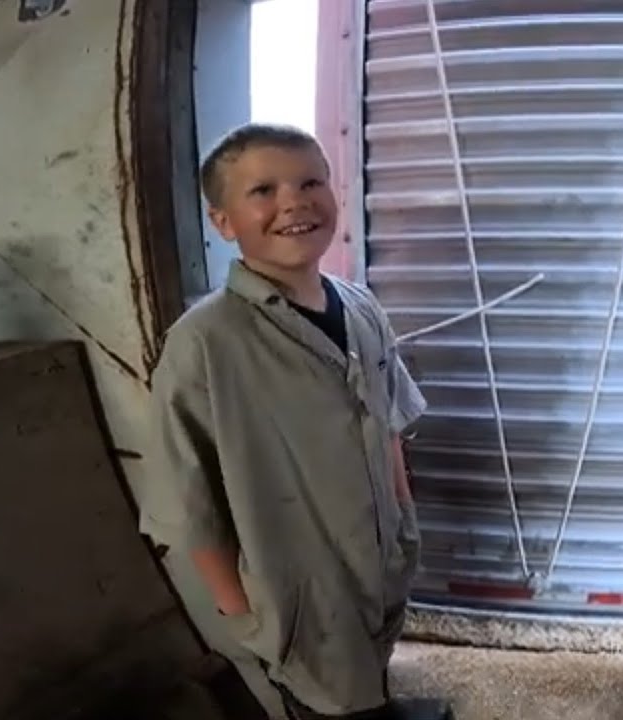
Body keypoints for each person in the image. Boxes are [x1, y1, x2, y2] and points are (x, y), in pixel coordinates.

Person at [139, 123, 450, 720]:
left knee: (370, 679)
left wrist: (404, 517)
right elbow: (187, 504)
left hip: (380, 566)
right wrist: (245, 615)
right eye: (263, 191)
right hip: (298, 600)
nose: (294, 202)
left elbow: (388, 422)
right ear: (223, 221)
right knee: (327, 704)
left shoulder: (361, 307)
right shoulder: (205, 342)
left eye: (310, 182)